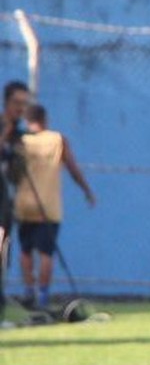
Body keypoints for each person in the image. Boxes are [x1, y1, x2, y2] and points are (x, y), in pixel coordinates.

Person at [14, 103, 96, 308]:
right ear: (45, 120)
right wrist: (87, 191)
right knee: (45, 253)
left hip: (24, 203)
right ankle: (42, 296)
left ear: (27, 120)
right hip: (48, 205)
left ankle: (28, 292)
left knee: (25, 250)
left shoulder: (21, 141)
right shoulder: (57, 140)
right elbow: (73, 168)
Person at [0, 81, 31, 323]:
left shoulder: (19, 135)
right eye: (17, 103)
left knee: (3, 253)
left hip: (4, 204)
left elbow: (16, 175)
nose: (21, 108)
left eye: (24, 103)